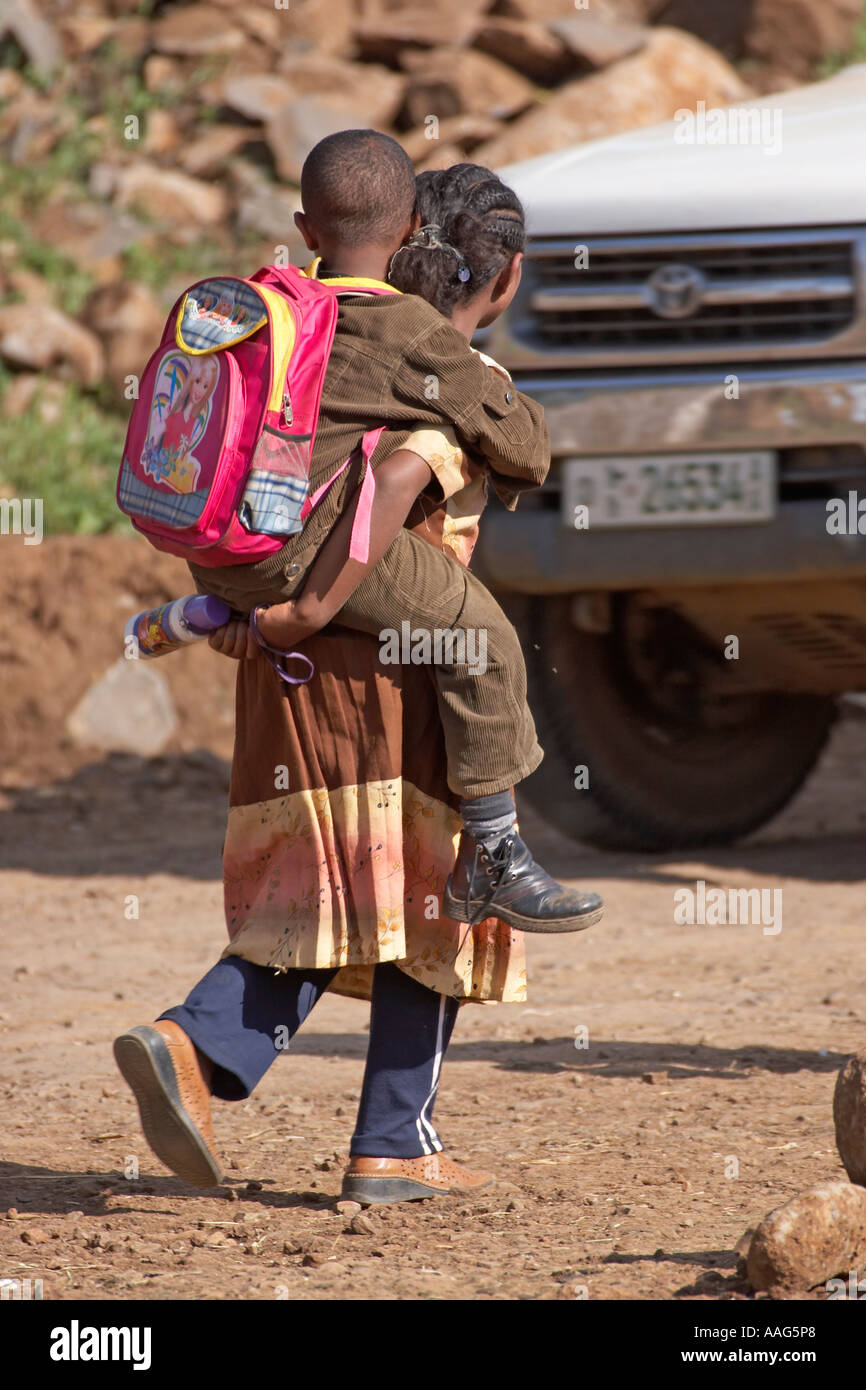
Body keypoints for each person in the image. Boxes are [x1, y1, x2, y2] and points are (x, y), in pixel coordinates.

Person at [113, 161, 597, 1207]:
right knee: (414, 883)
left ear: (303, 224)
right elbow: (453, 469)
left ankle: (336, 1110)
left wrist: (248, 607)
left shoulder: (283, 319)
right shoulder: (428, 374)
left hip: (271, 636)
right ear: (502, 277)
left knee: (335, 896)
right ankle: (259, 1072)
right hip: (381, 676)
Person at [190, 131, 603, 935]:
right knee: (481, 636)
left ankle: (191, 615)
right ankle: (492, 851)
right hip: (301, 559)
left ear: (307, 229)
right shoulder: (409, 335)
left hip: (218, 548)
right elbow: (521, 448)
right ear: (411, 221)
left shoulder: (277, 308)